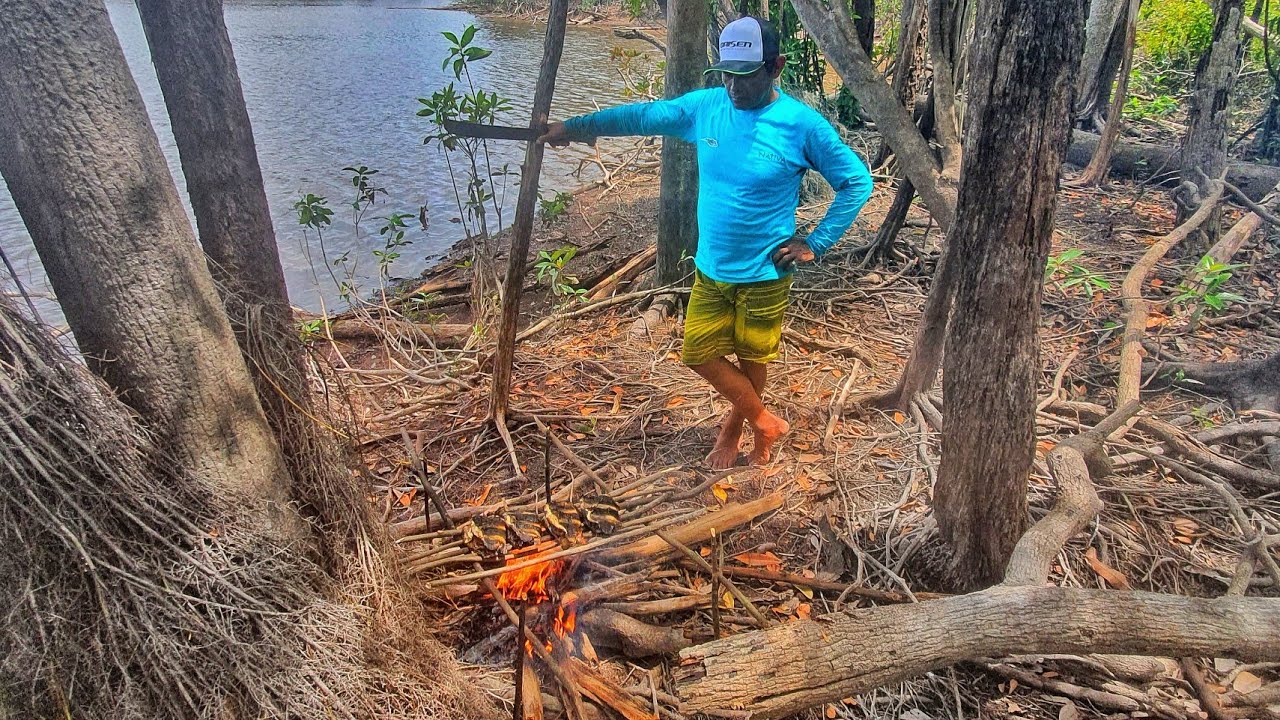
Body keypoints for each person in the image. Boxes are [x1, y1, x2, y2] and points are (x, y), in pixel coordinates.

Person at [539, 16, 873, 468]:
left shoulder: (801, 125)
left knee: (753, 357)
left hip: (766, 272)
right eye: (727, 75)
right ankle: (765, 420)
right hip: (711, 267)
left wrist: (817, 241)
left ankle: (735, 434)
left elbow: (855, 181)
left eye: (745, 75)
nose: (733, 87)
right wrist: (576, 127)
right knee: (697, 351)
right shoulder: (706, 108)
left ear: (775, 67)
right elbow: (642, 116)